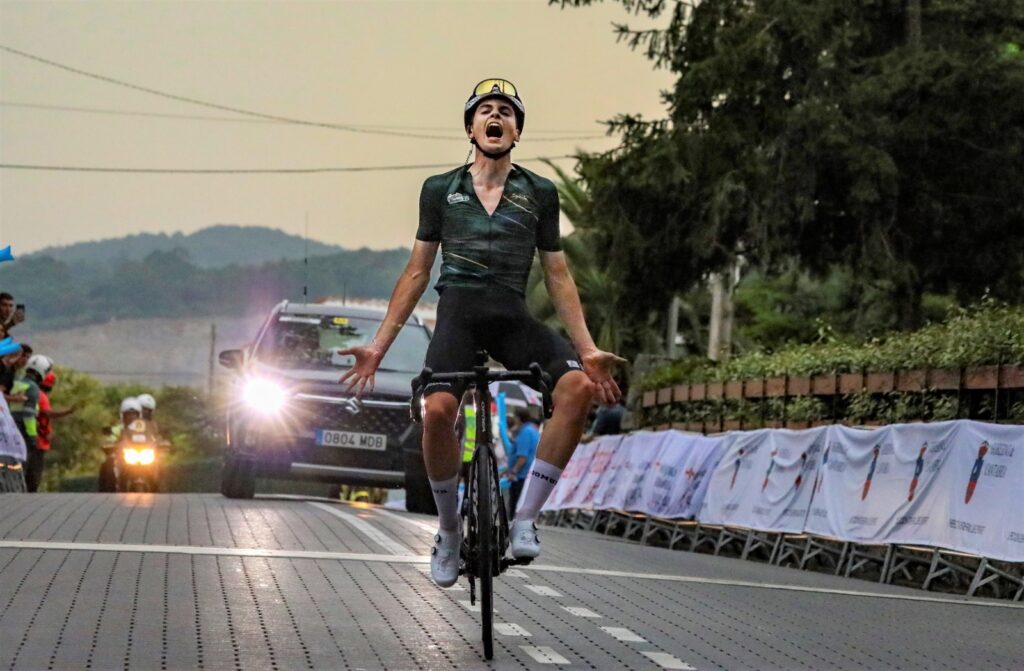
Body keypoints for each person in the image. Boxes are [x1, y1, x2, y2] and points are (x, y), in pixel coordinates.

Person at [339, 78, 625, 587]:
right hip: (458, 317)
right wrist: (378, 348)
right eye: (486, 110)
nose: (497, 118)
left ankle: (524, 520)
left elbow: (557, 275)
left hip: (513, 318)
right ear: (471, 127)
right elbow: (417, 272)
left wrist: (588, 350)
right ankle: (448, 531)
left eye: (507, 112)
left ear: (516, 131)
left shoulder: (539, 192)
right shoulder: (440, 190)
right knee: (440, 410)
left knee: (578, 387)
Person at [11, 354, 51, 491]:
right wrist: (33, 436)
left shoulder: (16, 382)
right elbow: (28, 415)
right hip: (22, 429)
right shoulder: (33, 388)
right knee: (24, 463)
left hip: (9, 427)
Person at [504, 407, 540, 518]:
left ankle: (512, 527)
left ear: (519, 418)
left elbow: (522, 457)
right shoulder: (532, 430)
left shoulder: (525, 432)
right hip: (528, 475)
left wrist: (513, 472)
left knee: (514, 504)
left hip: (520, 476)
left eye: (515, 417)